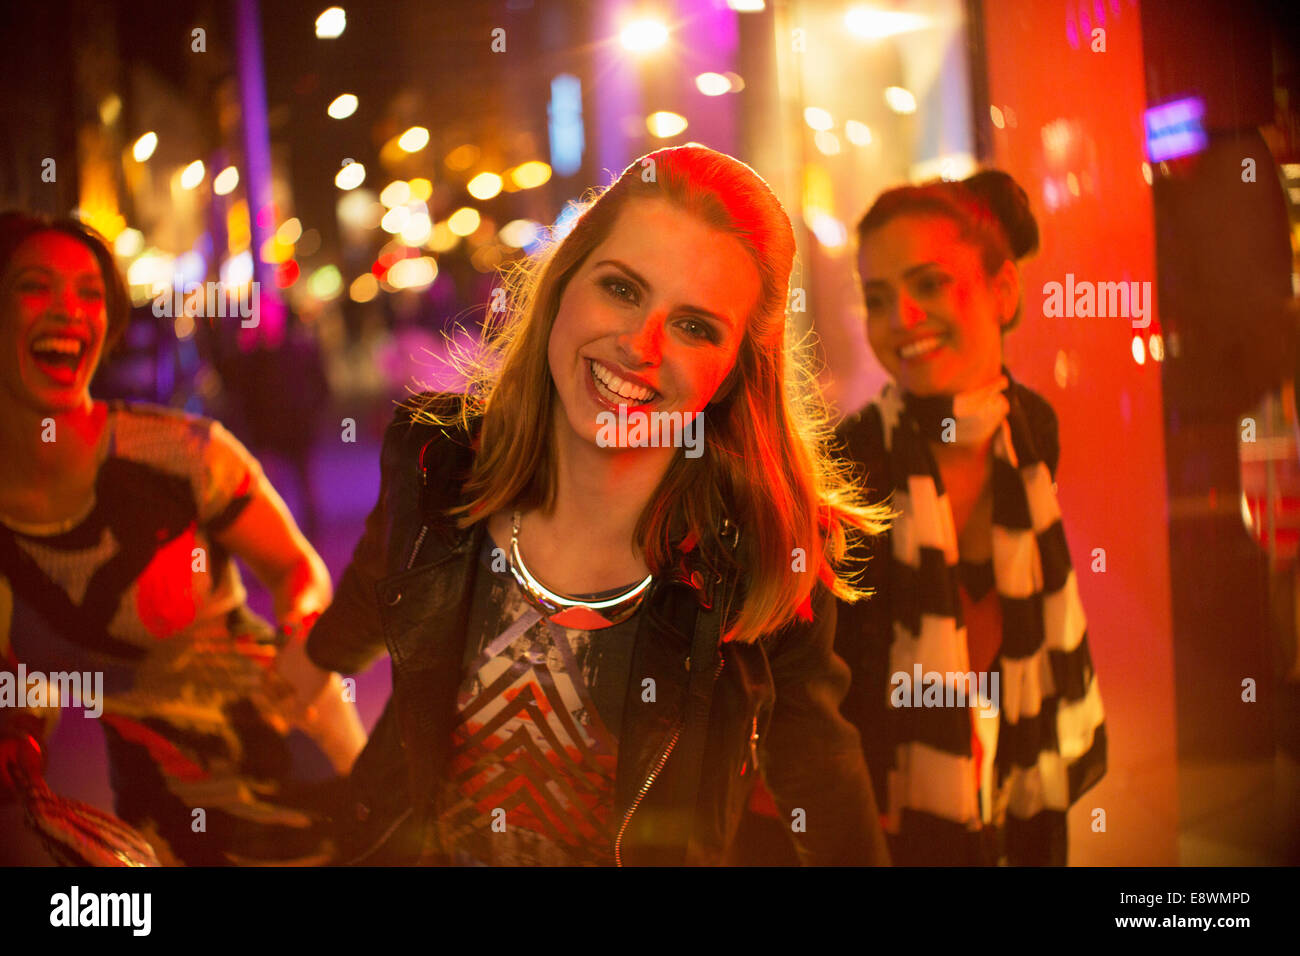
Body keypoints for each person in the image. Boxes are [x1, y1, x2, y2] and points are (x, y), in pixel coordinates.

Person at [307, 144, 893, 866]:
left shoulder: (762, 560)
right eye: (620, 289)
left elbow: (824, 794)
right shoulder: (437, 464)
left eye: (694, 326)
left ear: (737, 369)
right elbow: (355, 613)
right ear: (565, 283)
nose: (638, 347)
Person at [0, 211, 365, 865]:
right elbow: (25, 679)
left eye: (90, 293)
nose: (70, 310)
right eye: (36, 286)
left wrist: (304, 633)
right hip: (162, 818)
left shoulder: (177, 452)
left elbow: (295, 569)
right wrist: (20, 739)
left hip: (301, 757)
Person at [834, 171, 1107, 865]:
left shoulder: (1033, 430)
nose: (901, 318)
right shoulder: (848, 462)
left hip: (1010, 789)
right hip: (880, 824)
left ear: (1003, 290)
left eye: (928, 284)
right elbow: (822, 704)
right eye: (878, 298)